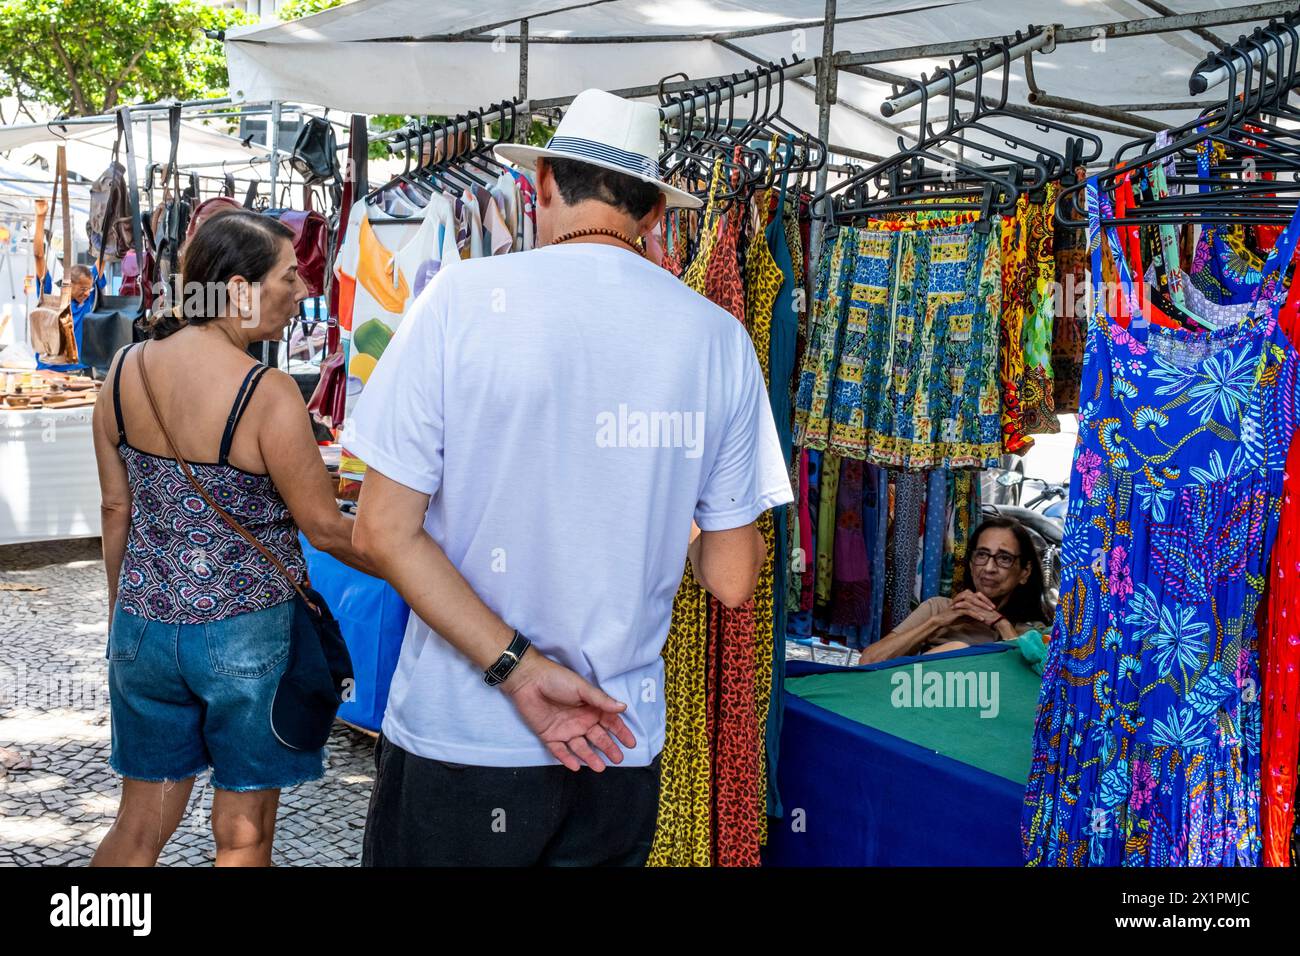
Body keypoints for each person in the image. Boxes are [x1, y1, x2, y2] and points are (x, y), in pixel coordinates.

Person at [350, 88, 794, 866]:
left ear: (543, 183)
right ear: (656, 214)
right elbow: (732, 577)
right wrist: (657, 509)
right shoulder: (719, 338)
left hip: (463, 736)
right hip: (616, 746)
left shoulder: (458, 299)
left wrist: (519, 671)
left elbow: (383, 530)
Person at [89, 211, 374, 867]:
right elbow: (327, 529)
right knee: (242, 834)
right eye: (289, 275)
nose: (302, 290)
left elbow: (115, 508)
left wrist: (122, 617)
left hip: (144, 630)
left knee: (138, 830)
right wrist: (422, 560)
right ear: (240, 289)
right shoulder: (266, 393)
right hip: (248, 635)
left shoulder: (124, 370)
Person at [858, 517, 1051, 665]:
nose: (989, 568)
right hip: (919, 704)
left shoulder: (1033, 634)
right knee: (955, 648)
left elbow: (1031, 684)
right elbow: (869, 660)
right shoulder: (939, 608)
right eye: (982, 555)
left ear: (1025, 572)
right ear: (970, 563)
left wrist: (1001, 624)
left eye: (1004, 558)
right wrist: (937, 622)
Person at [36, 263, 104, 372]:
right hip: (49, 370)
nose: (86, 293)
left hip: (78, 372)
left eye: (89, 289)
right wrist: (38, 245)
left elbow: (102, 257)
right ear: (69, 284)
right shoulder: (51, 300)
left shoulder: (87, 303)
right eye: (83, 289)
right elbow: (38, 257)